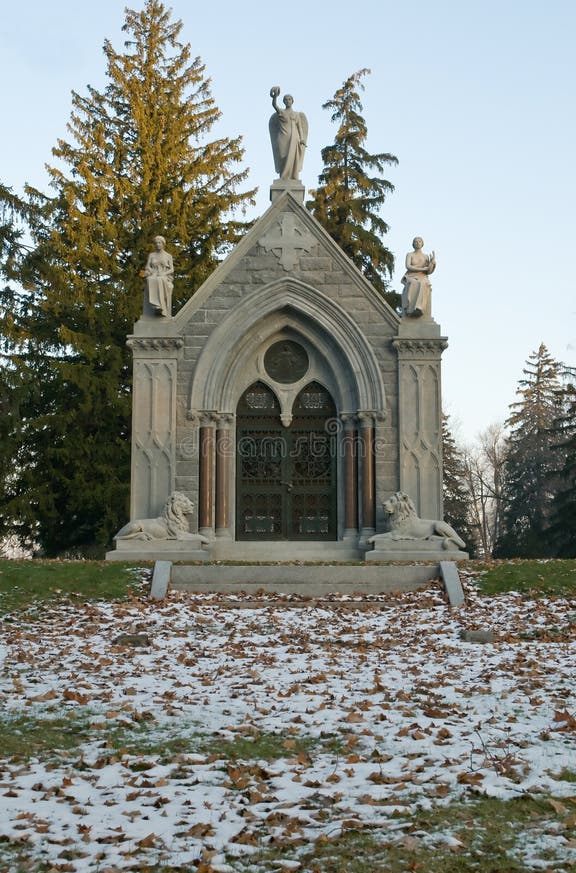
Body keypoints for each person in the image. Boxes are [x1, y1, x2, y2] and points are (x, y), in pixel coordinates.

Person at [269, 87, 308, 180]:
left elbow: (300, 127)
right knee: (283, 157)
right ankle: (283, 176)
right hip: (282, 138)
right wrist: (275, 97)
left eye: (289, 99)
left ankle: (293, 176)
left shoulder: (297, 114)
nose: (288, 101)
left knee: (292, 158)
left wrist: (302, 139)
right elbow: (274, 105)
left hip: (294, 138)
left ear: (292, 101)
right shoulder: (281, 112)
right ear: (283, 102)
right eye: (286, 99)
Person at [401, 237, 436, 318]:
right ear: (413, 244)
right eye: (415, 241)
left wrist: (433, 263)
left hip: (422, 276)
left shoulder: (426, 256)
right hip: (411, 275)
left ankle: (419, 308)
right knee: (413, 283)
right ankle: (410, 309)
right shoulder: (410, 255)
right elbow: (408, 266)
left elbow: (428, 271)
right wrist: (422, 269)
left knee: (423, 283)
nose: (417, 243)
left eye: (419, 241)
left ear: (422, 244)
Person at [144, 235, 174, 317]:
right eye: (156, 243)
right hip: (154, 273)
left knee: (160, 280)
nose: (157, 244)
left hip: (164, 274)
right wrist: (150, 271)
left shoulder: (168, 256)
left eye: (159, 243)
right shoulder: (151, 255)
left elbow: (172, 269)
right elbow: (147, 266)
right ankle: (154, 304)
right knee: (150, 279)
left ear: (163, 244)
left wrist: (164, 273)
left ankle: (160, 306)